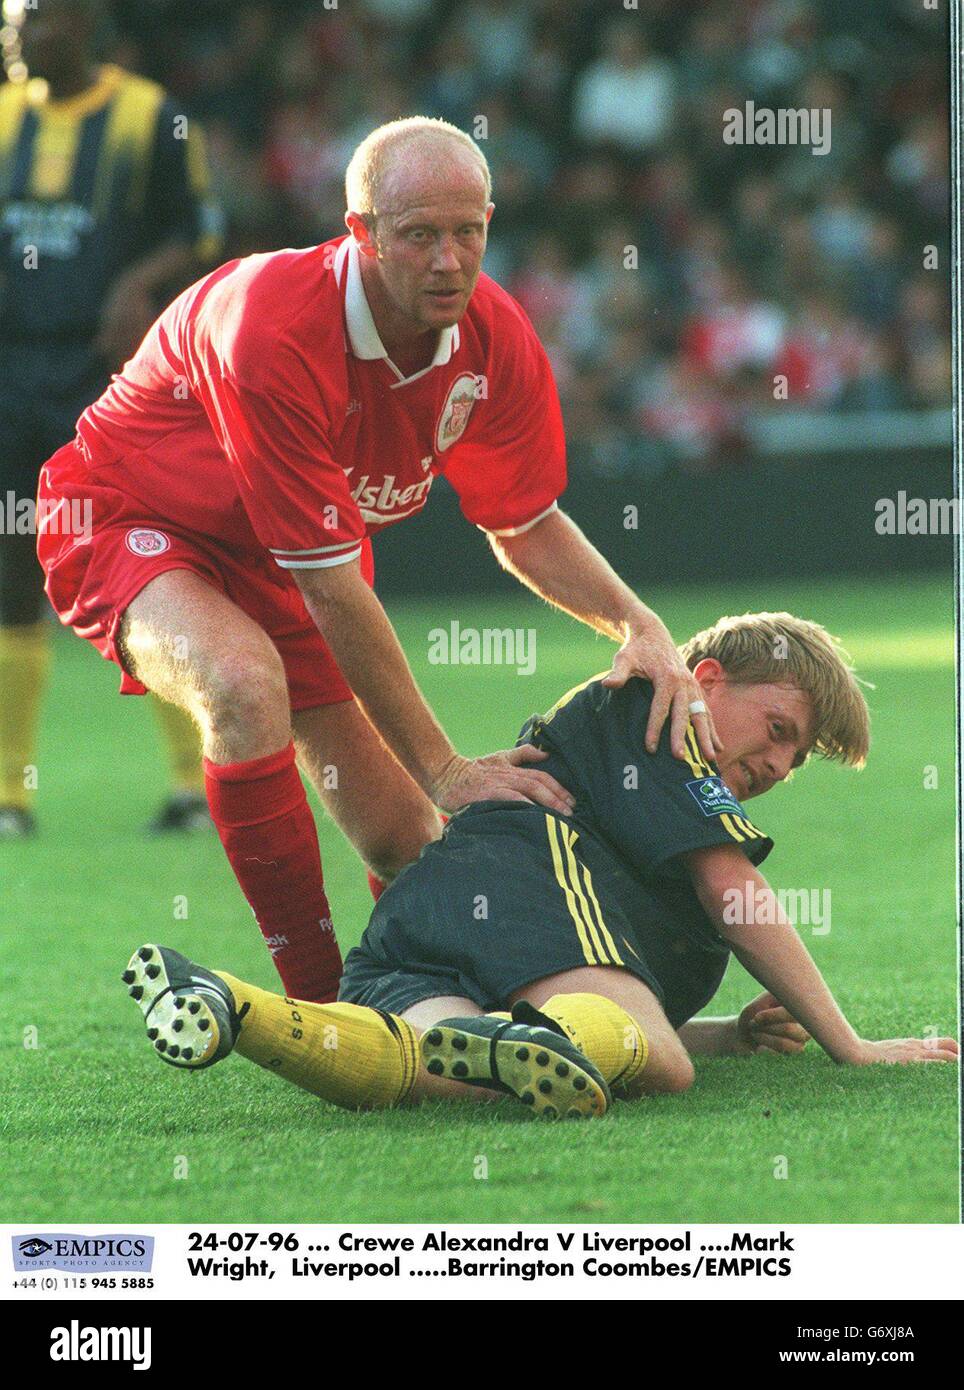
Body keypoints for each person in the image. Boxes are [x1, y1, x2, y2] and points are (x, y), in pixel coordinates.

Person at [39, 115, 716, 1006]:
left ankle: (465, 1014)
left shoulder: (495, 336)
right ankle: (322, 1009)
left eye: (467, 232)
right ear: (359, 232)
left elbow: (524, 522)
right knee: (242, 683)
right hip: (131, 516)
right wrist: (446, 767)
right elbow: (330, 588)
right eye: (419, 235)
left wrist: (640, 624)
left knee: (408, 844)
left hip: (292, 560)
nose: (448, 261)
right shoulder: (271, 325)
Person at [120, 612, 959, 1121]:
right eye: (779, 730)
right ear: (705, 679)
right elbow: (731, 889)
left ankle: (238, 1010)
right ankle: (245, 1007)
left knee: (441, 1063)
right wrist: (850, 1045)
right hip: (521, 876)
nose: (779, 764)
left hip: (430, 927)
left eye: (797, 758)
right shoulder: (665, 711)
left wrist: (727, 1037)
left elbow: (574, 1014)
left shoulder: (659, 792)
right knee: (661, 1068)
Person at [0, 0, 223, 838]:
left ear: (83, 20)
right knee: (10, 575)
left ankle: (192, 784)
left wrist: (137, 282)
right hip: (11, 376)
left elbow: (202, 228)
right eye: (12, 20)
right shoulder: (4, 114)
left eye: (35, 18)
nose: (19, 34)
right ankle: (10, 796)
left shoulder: (148, 116)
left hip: (108, 379)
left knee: (145, 568)